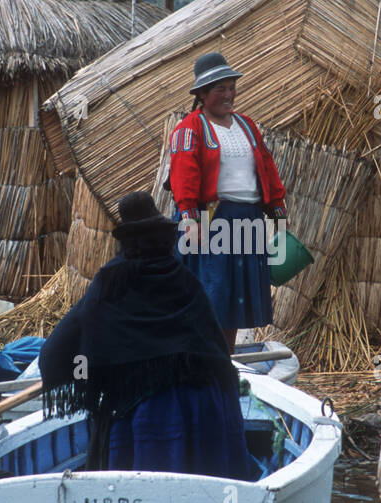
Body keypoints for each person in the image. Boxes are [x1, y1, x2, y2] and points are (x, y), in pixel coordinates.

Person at [38, 191, 258, 481]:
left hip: (142, 409)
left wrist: (86, 377)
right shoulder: (184, 280)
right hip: (202, 408)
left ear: (127, 242)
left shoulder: (110, 281)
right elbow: (216, 350)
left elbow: (57, 351)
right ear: (164, 239)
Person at [166, 52, 287, 350]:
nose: (229, 94)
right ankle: (204, 359)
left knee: (234, 297)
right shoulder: (189, 129)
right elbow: (184, 175)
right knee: (213, 291)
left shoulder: (247, 126)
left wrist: (278, 209)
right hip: (211, 218)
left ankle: (226, 359)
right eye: (220, 89)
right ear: (202, 94)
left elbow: (266, 166)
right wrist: (189, 219)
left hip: (248, 217)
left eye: (231, 86)